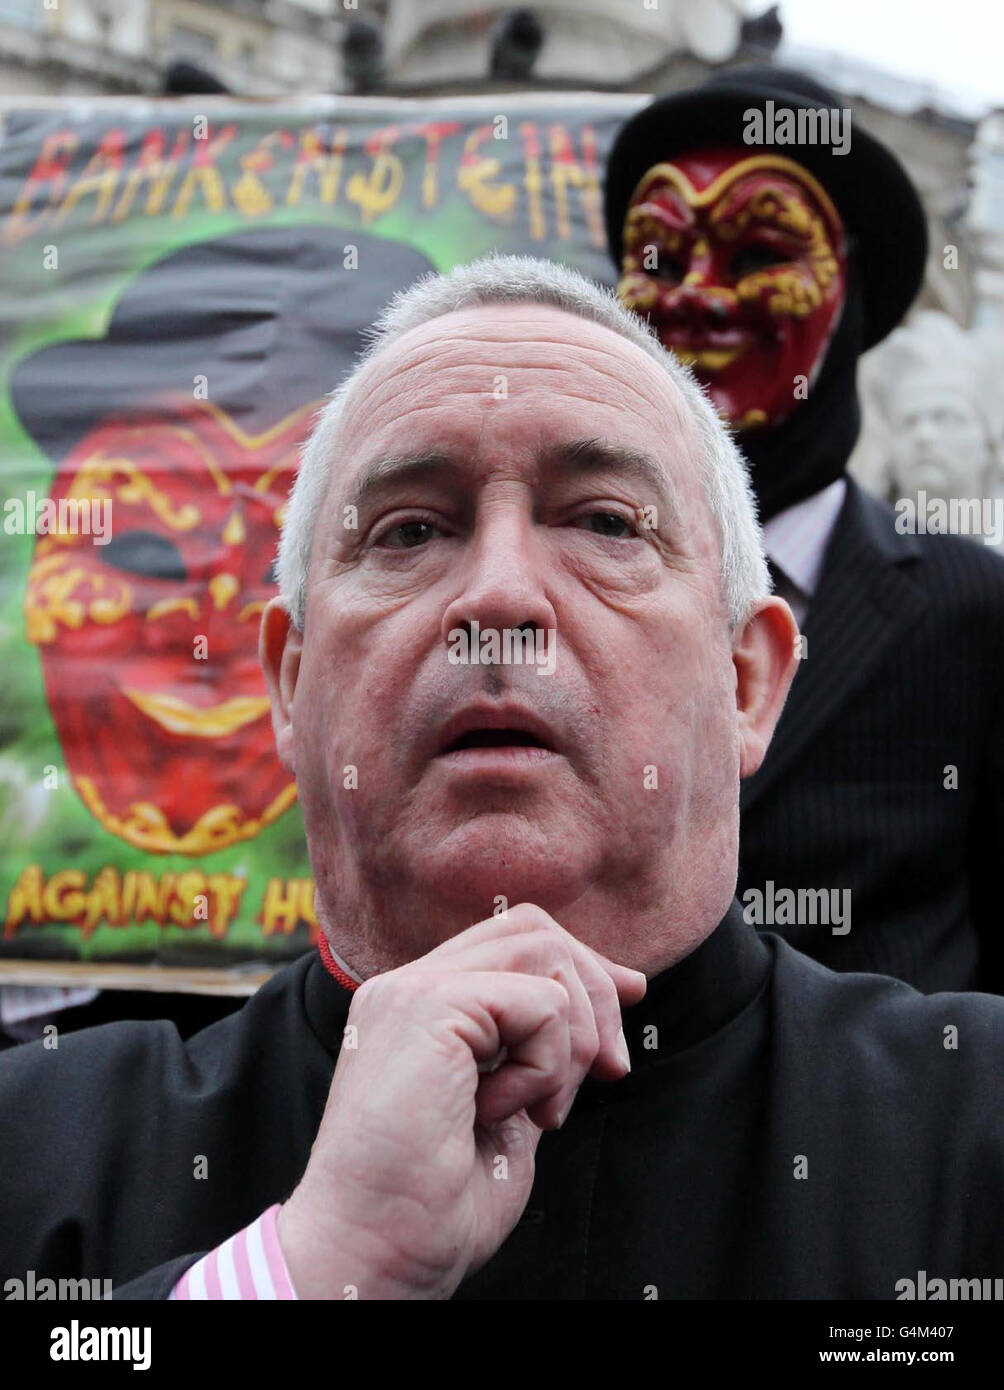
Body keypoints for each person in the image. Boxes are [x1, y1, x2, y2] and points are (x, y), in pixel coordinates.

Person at [2, 256, 1003, 1302]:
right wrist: (299, 1276)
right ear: (291, 687)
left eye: (607, 523)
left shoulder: (969, 1133)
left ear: (746, 678)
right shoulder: (38, 1150)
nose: (498, 596)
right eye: (409, 531)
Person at [604, 67, 1004, 995]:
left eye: (756, 256)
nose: (698, 295)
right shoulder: (538, 589)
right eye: (661, 258)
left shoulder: (972, 609)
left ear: (850, 293)